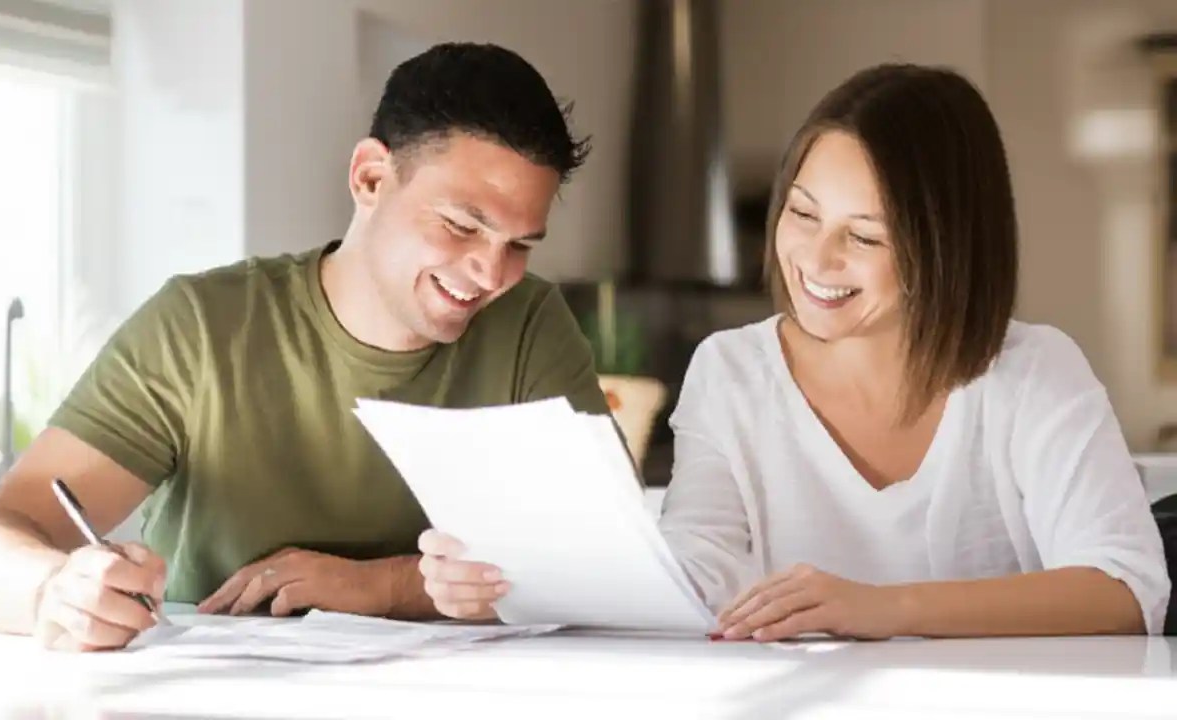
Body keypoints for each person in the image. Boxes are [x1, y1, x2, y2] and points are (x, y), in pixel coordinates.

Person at [418, 63, 1171, 638]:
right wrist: (524, 580)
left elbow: (1128, 589)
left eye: (866, 236)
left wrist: (880, 607)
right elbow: (703, 561)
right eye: (802, 214)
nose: (816, 257)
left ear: (946, 249)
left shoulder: (1032, 373)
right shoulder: (732, 369)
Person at [0, 42, 610, 652]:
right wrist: (50, 591)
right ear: (371, 178)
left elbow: (599, 561)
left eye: (520, 245)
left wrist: (378, 586)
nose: (492, 274)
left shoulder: (530, 325)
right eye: (463, 225)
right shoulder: (202, 328)